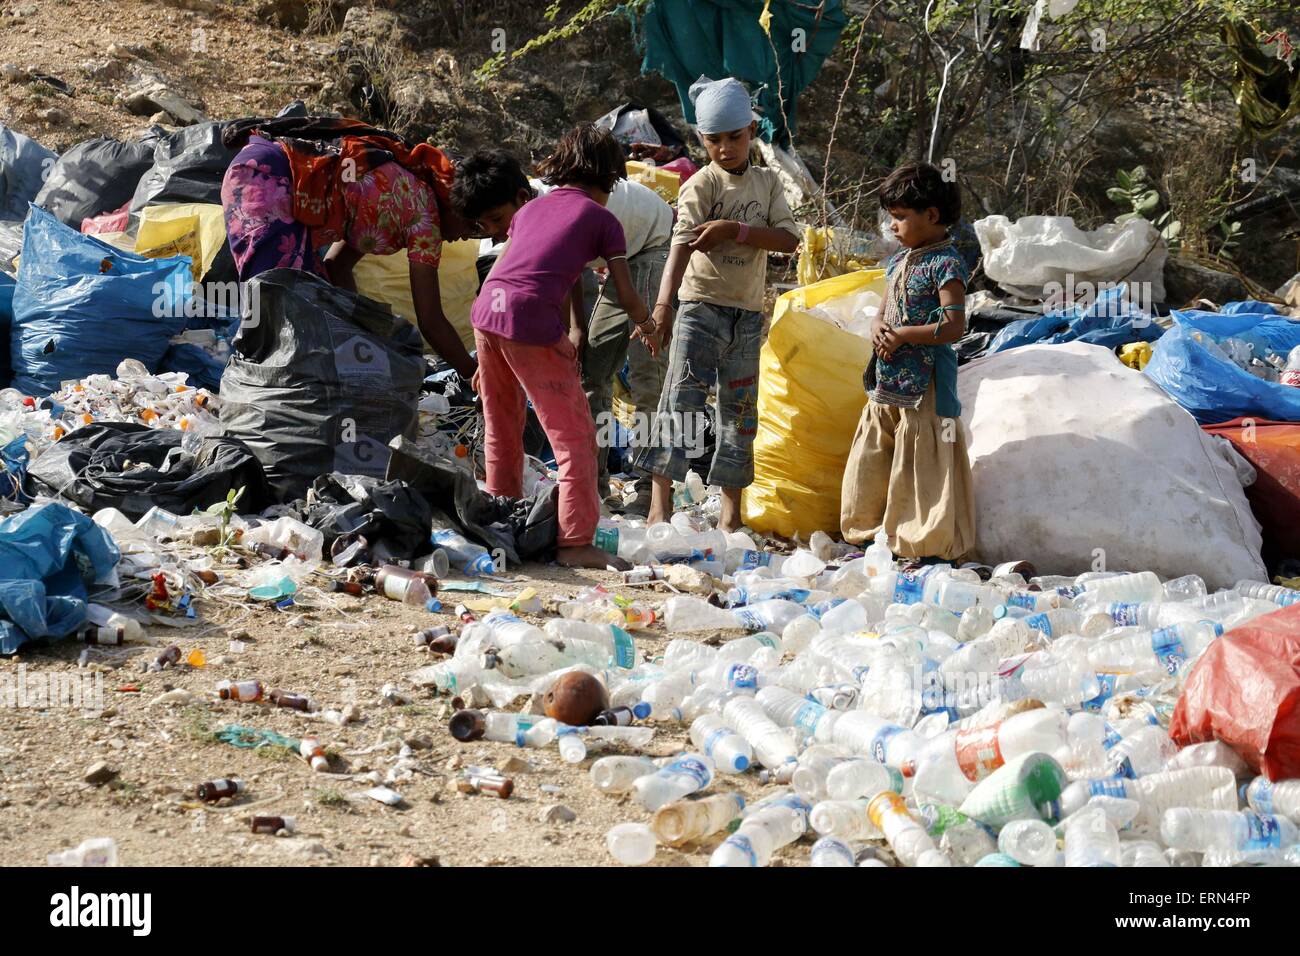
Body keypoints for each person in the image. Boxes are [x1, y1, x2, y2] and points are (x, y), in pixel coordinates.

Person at [465, 126, 652, 569]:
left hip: (486, 313)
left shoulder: (533, 209)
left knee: (502, 426)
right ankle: (575, 542)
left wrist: (497, 350)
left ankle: (502, 518)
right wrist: (649, 323)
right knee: (576, 439)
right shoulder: (604, 220)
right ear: (610, 178)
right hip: (526, 320)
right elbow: (624, 292)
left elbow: (526, 267)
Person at [633, 76, 800, 532]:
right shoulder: (701, 184)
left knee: (740, 412)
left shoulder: (767, 183)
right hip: (699, 309)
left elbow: (789, 240)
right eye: (714, 140)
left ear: (751, 131)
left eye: (735, 137)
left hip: (746, 315)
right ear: (702, 139)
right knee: (679, 403)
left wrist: (736, 231)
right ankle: (659, 508)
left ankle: (730, 516)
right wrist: (663, 309)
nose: (725, 148)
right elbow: (680, 246)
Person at [220, 116, 478, 379]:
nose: (468, 237)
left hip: (263, 168)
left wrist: (361, 333)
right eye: (472, 226)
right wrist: (474, 376)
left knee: (307, 313)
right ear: (454, 206)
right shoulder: (426, 219)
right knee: (280, 310)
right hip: (268, 177)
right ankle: (258, 393)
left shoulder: (405, 192)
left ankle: (273, 394)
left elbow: (337, 266)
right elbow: (431, 321)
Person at [840, 161, 976, 560]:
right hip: (888, 379)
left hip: (926, 386)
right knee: (876, 456)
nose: (893, 226)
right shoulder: (900, 260)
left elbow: (953, 326)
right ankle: (867, 534)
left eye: (900, 217)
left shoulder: (946, 265)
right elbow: (884, 310)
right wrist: (879, 327)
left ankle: (920, 541)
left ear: (931, 216)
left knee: (920, 464)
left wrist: (901, 336)